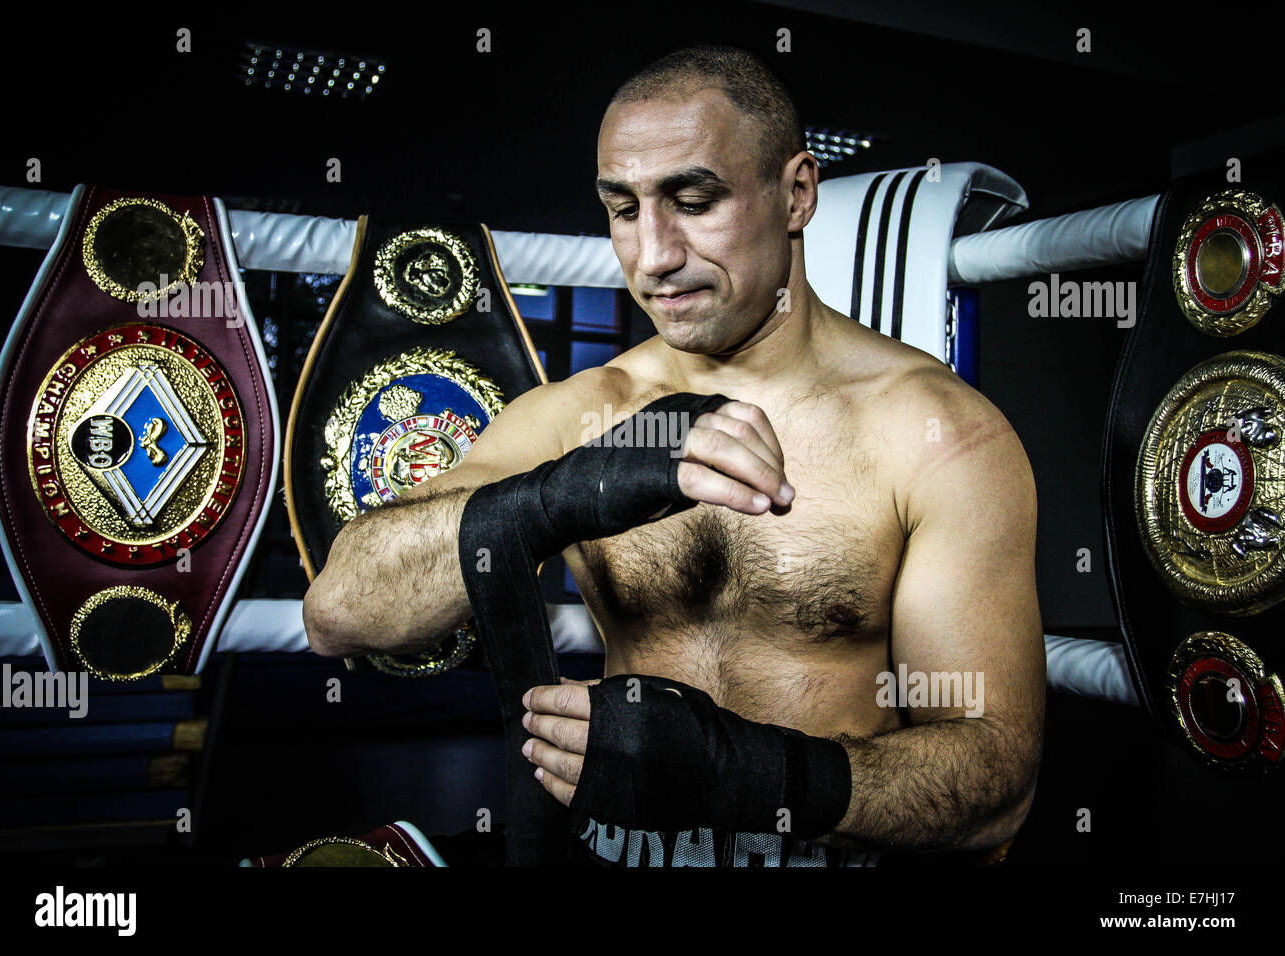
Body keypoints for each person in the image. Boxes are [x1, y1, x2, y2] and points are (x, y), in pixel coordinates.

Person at [304, 43, 1044, 867]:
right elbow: (341, 612)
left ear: (796, 193)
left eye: (692, 201)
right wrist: (562, 494)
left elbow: (995, 781)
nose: (653, 255)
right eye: (623, 209)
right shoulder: (580, 418)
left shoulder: (935, 436)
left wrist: (751, 776)